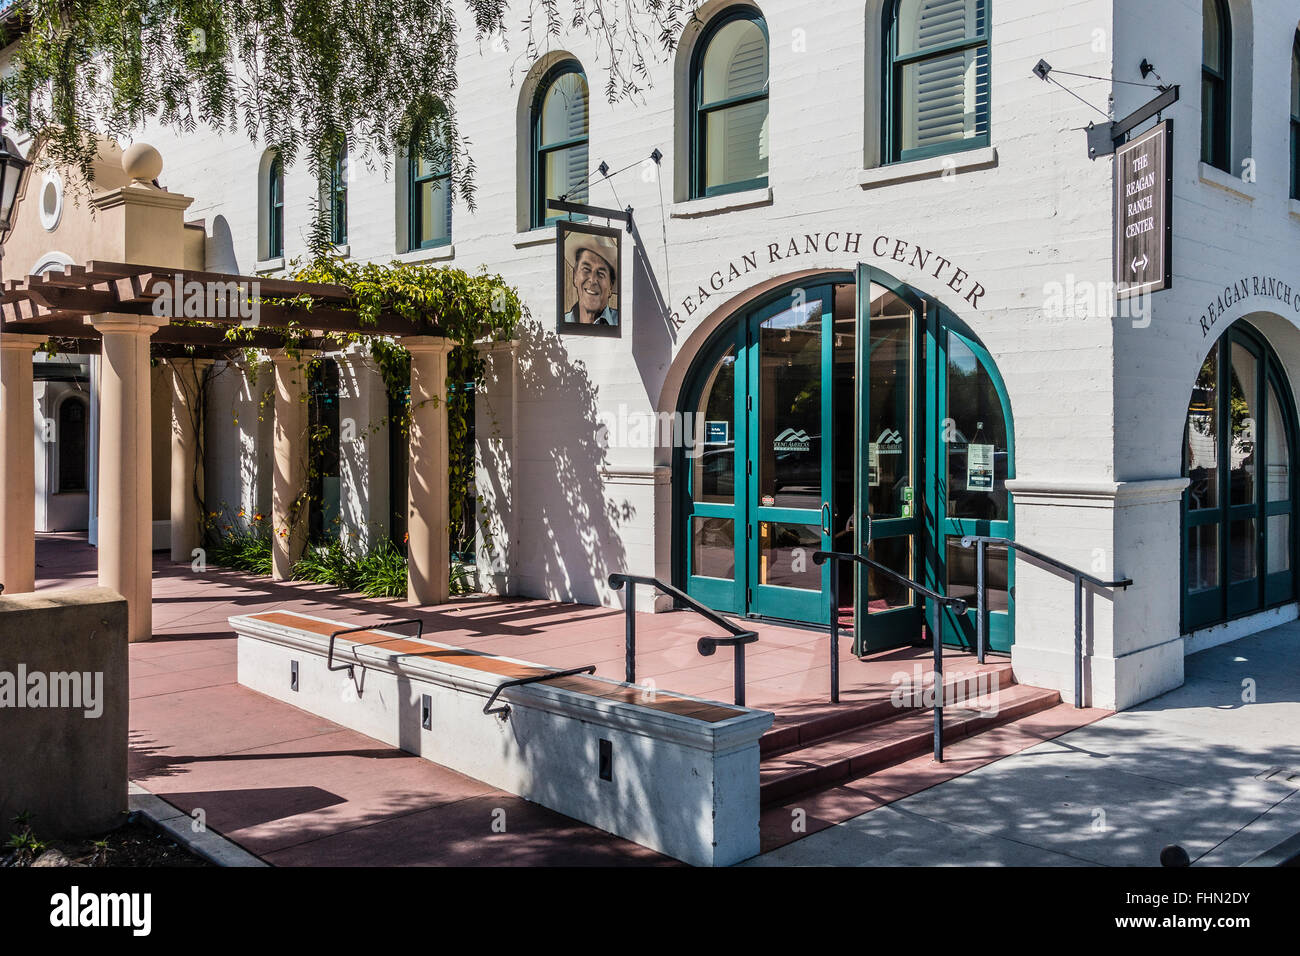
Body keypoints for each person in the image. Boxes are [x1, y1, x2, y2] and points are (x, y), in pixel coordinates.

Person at [564, 238, 619, 326]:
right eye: (586, 269)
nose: (593, 280)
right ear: (575, 276)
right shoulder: (561, 323)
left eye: (601, 273)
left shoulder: (622, 323)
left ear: (610, 287)